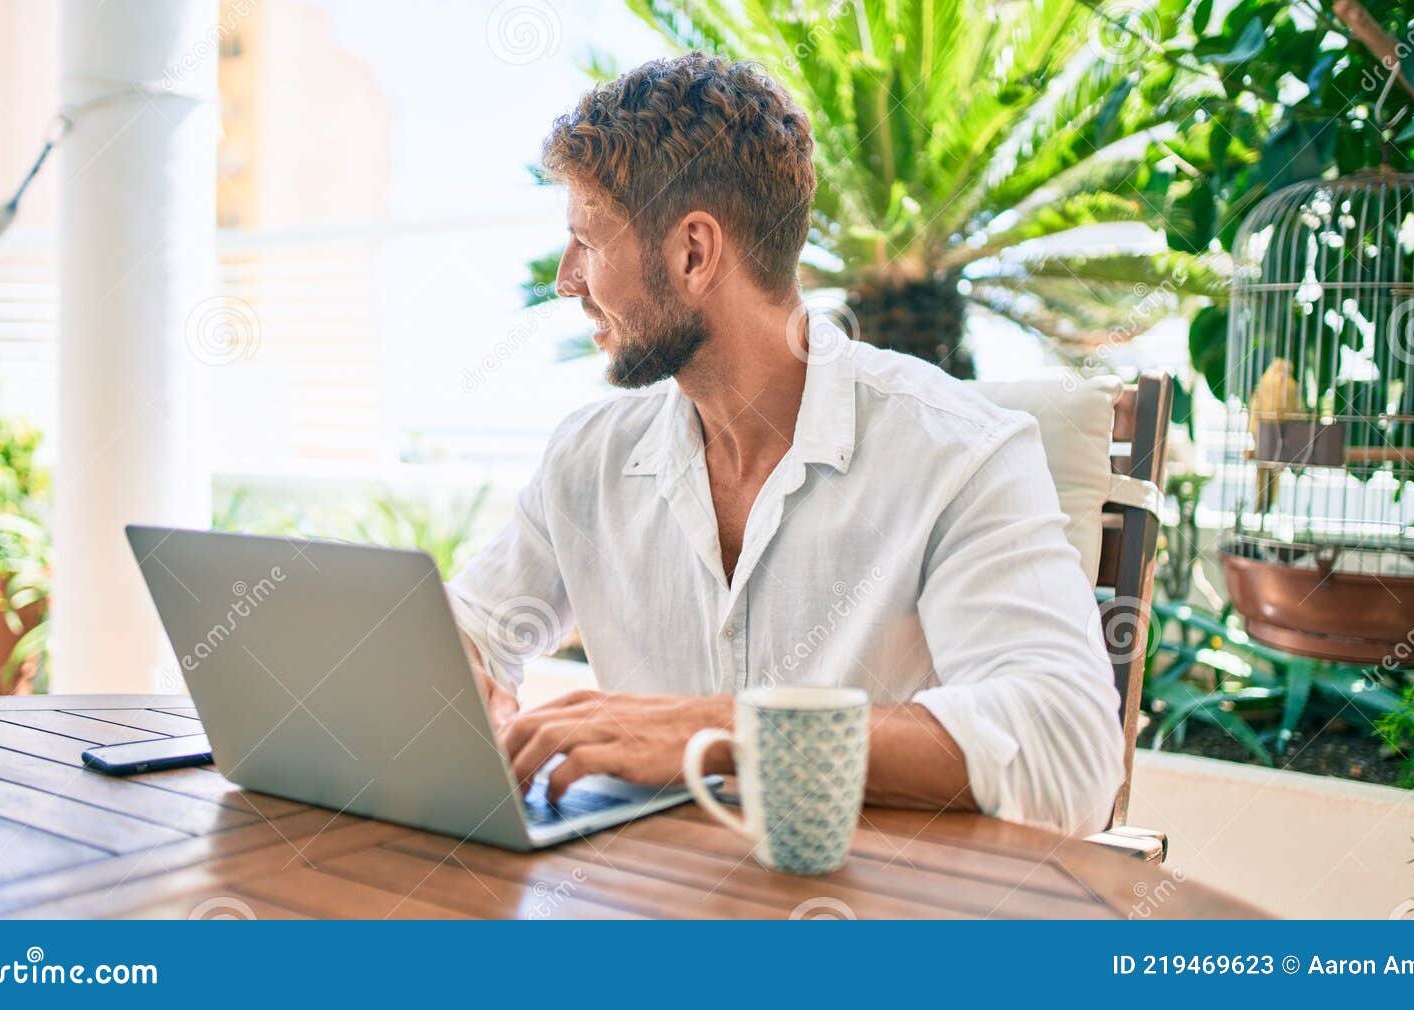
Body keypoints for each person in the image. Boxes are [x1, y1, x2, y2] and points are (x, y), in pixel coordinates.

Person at [447, 52, 1123, 837]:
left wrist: (728, 731)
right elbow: (468, 632)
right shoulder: (587, 458)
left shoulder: (960, 454)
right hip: (650, 905)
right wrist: (458, 680)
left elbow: (1069, 750)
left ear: (694, 253)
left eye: (587, 242)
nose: (568, 280)